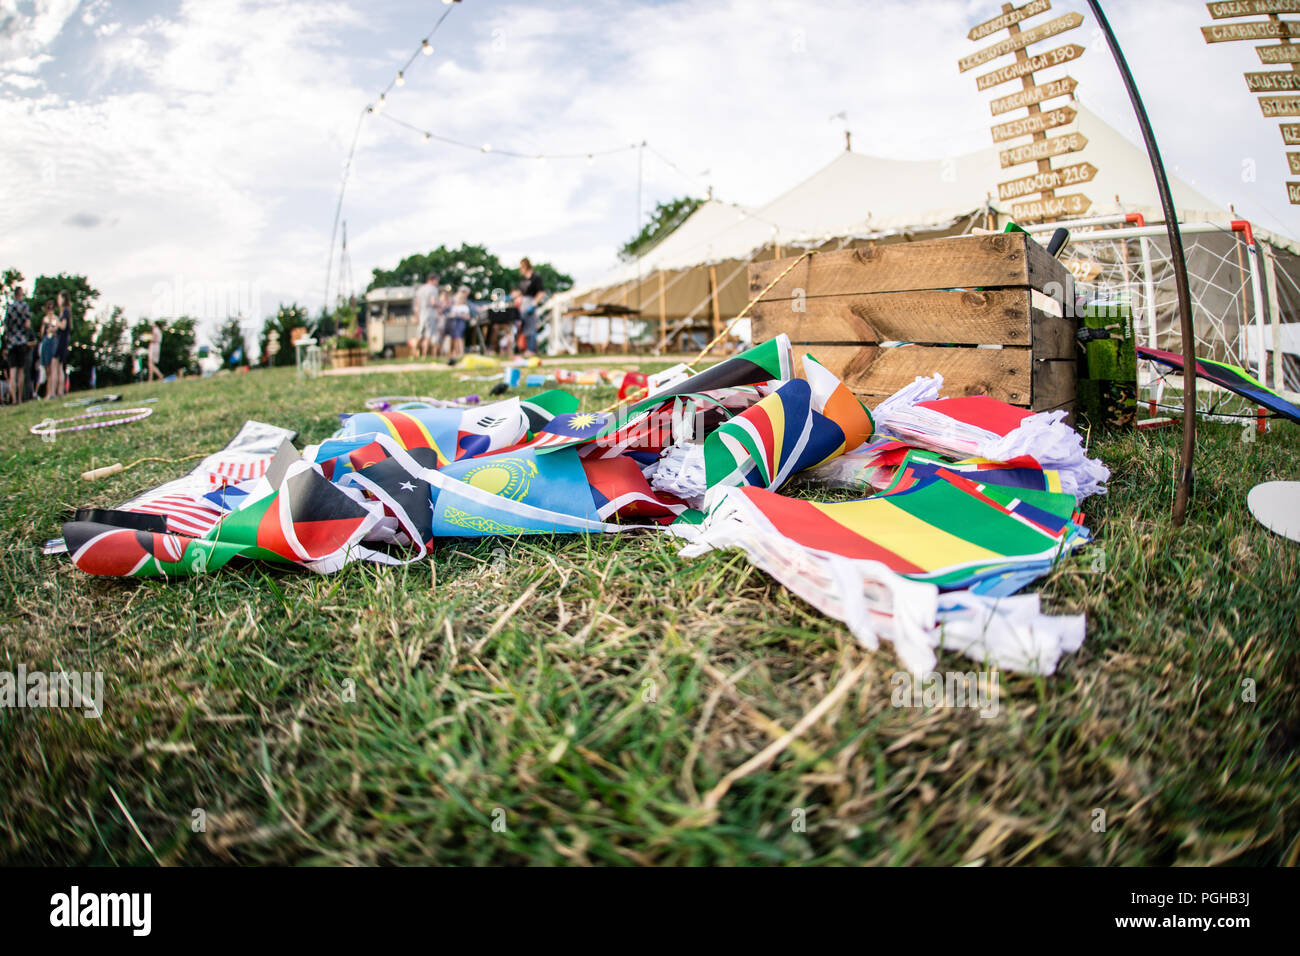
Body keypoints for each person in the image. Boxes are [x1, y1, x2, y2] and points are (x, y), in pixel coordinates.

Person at [3, 286, 33, 405]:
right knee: (21, 371)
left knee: (12, 371)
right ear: (21, 294)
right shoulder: (24, 306)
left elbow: (5, 326)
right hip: (21, 342)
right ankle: (19, 398)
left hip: (11, 342)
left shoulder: (9, 308)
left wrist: (8, 339)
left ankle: (13, 399)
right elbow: (27, 325)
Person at [517, 257, 545, 356]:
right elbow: (520, 293)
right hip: (523, 304)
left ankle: (531, 349)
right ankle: (524, 348)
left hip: (531, 303)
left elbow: (541, 293)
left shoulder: (535, 278)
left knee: (531, 328)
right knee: (524, 328)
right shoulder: (523, 279)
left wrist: (533, 304)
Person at [414, 273, 441, 358]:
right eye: (437, 281)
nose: (437, 283)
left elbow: (417, 304)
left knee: (420, 334)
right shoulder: (433, 289)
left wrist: (416, 316)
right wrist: (440, 304)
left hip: (422, 313)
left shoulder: (420, 289)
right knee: (429, 334)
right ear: (433, 280)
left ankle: (414, 353)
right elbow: (433, 302)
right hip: (430, 313)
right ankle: (424, 355)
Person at [443, 286, 472, 360]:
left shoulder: (464, 307)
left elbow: (468, 317)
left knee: (459, 338)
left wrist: (460, 315)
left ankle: (461, 352)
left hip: (460, 323)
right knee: (454, 338)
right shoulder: (454, 306)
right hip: (453, 323)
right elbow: (449, 314)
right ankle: (455, 352)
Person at [38, 300, 59, 399]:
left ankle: (52, 392)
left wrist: (53, 328)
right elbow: (41, 334)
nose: (50, 310)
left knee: (52, 368)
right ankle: (48, 392)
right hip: (46, 343)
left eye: (52, 308)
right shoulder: (44, 319)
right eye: (48, 308)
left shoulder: (56, 319)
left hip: (52, 344)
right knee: (46, 369)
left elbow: (57, 333)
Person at [54, 290, 72, 396]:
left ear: (63, 299)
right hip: (61, 340)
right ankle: (59, 391)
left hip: (62, 341)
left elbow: (63, 326)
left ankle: (59, 391)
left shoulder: (65, 310)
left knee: (58, 365)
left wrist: (56, 321)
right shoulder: (65, 311)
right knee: (59, 366)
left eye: (59, 298)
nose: (58, 300)